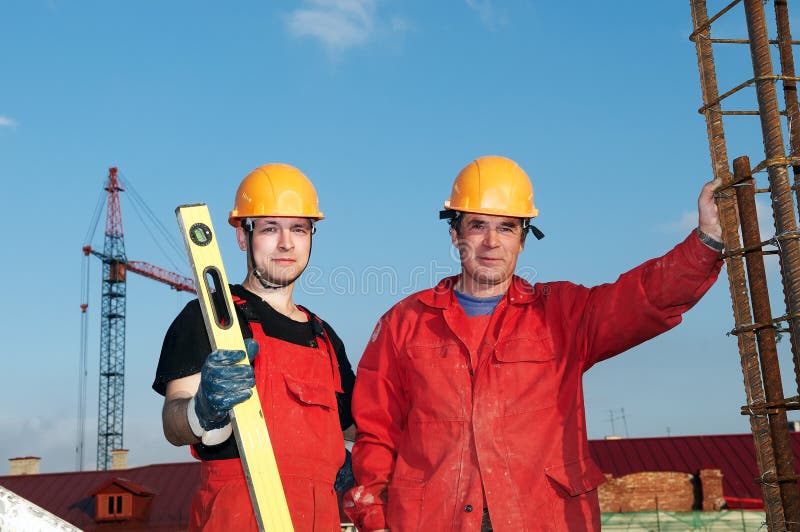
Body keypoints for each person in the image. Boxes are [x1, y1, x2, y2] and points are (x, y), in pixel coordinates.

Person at [344, 155, 724, 531]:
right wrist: (373, 516)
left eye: (507, 228)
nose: (491, 242)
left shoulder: (563, 315)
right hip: (434, 520)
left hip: (543, 518)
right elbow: (376, 432)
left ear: (523, 240)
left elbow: (646, 297)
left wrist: (707, 240)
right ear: (455, 235)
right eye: (477, 226)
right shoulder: (404, 324)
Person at [153, 163, 356, 531]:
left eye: (298, 228)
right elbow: (172, 421)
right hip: (236, 516)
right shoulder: (213, 316)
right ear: (242, 237)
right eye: (269, 228)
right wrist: (203, 411)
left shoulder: (326, 338)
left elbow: (359, 426)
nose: (286, 243)